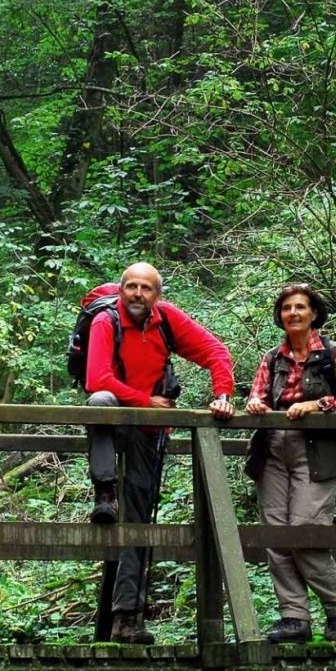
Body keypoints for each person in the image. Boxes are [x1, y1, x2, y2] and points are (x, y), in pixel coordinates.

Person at [84, 261, 236, 644]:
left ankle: (126, 619)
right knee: (100, 400)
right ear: (121, 290)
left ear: (157, 295)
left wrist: (222, 395)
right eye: (131, 286)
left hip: (149, 430)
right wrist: (145, 401)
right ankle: (103, 491)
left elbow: (216, 351)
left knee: (140, 520)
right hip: (116, 416)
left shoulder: (166, 320)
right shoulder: (106, 321)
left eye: (145, 288)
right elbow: (97, 379)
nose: (137, 294)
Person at [244, 283, 336, 643]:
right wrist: (255, 404)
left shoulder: (334, 352)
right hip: (272, 450)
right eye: (286, 308)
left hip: (315, 450)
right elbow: (258, 393)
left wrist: (318, 405)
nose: (293, 313)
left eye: (300, 307)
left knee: (305, 534)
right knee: (276, 537)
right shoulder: (272, 358)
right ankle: (294, 617)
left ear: (314, 313)